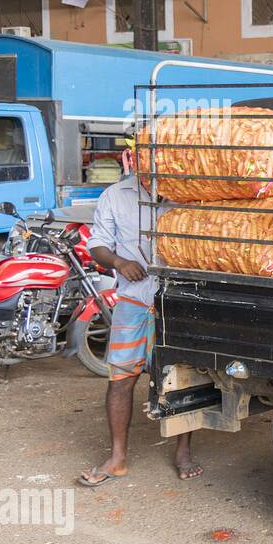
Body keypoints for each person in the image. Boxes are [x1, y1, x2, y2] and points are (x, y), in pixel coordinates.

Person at [79, 161, 198, 487]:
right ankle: (117, 457)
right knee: (120, 379)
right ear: (137, 160)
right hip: (133, 301)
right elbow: (97, 244)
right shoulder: (115, 196)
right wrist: (118, 261)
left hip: (176, 301)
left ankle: (183, 451)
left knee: (182, 378)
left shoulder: (184, 194)